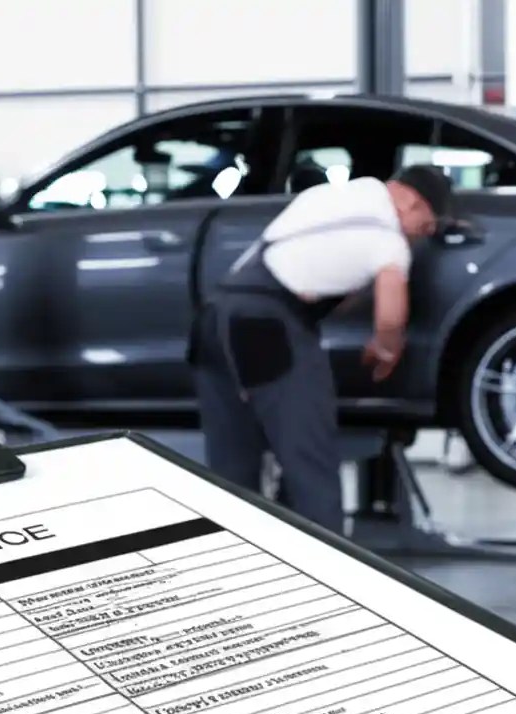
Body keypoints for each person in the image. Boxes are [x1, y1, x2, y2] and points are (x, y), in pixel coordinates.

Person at [187, 164, 454, 534]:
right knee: (311, 465)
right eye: (425, 226)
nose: (421, 237)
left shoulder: (333, 196)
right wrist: (386, 350)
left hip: (212, 325)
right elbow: (391, 317)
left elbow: (318, 271)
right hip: (267, 327)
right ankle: (330, 569)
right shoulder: (387, 236)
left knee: (231, 475)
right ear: (410, 201)